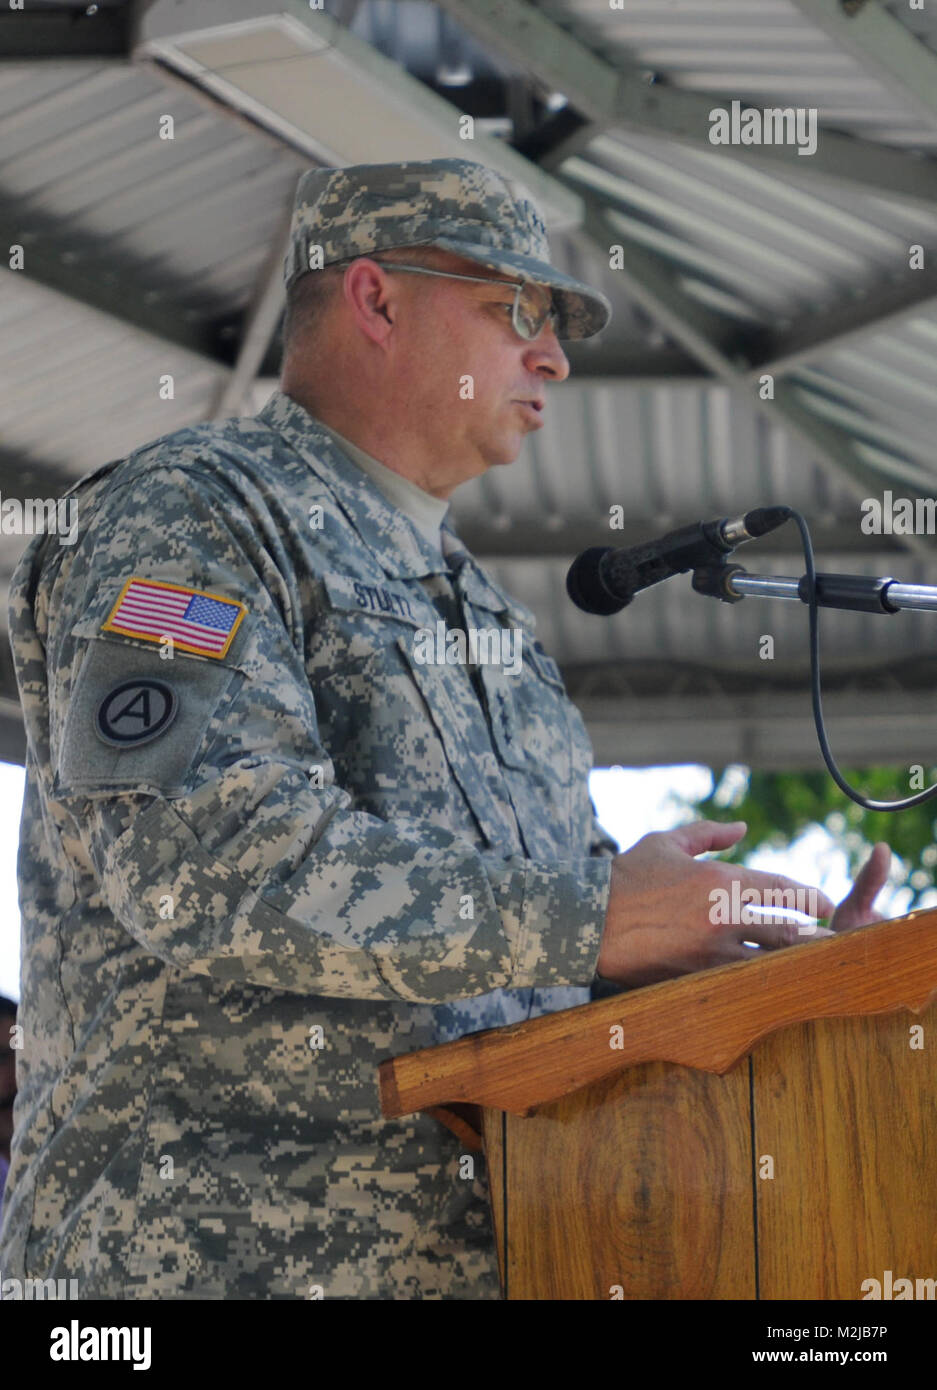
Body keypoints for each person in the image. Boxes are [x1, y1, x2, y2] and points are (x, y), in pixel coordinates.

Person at [0, 158, 888, 1300]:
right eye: (515, 310)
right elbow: (203, 866)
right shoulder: (191, 515)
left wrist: (761, 974)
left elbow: (547, 966)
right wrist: (592, 922)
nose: (554, 355)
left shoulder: (493, 624)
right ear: (374, 299)